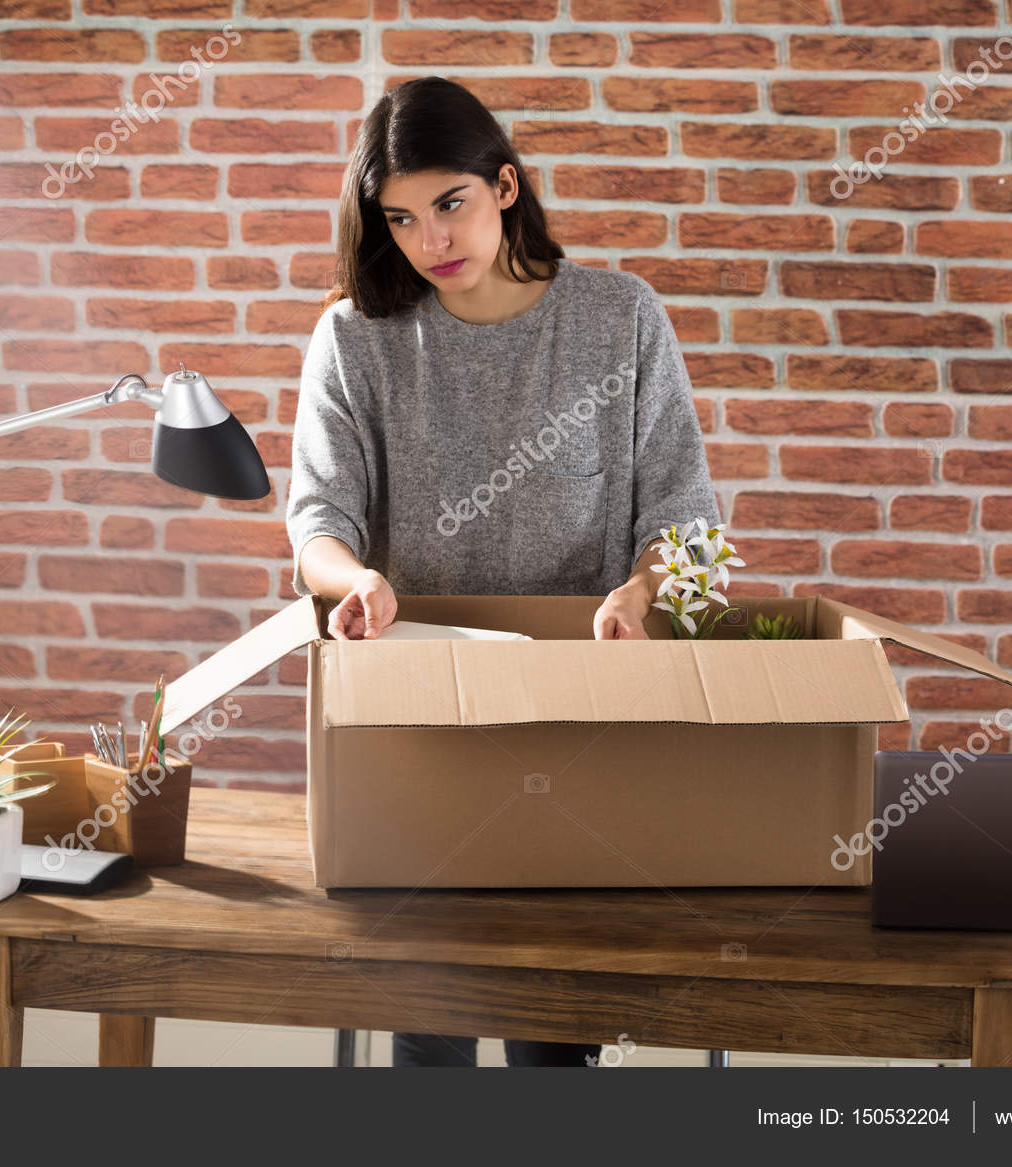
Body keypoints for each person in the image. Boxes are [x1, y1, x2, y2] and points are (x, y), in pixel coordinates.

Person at [284, 77, 718, 1067]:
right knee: (428, 1042)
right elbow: (318, 519)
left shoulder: (618, 318)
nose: (431, 239)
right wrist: (352, 580)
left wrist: (642, 590)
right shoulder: (355, 338)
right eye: (400, 218)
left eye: (451, 203)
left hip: (579, 726)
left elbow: (686, 516)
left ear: (506, 186)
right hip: (419, 725)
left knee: (552, 1043)